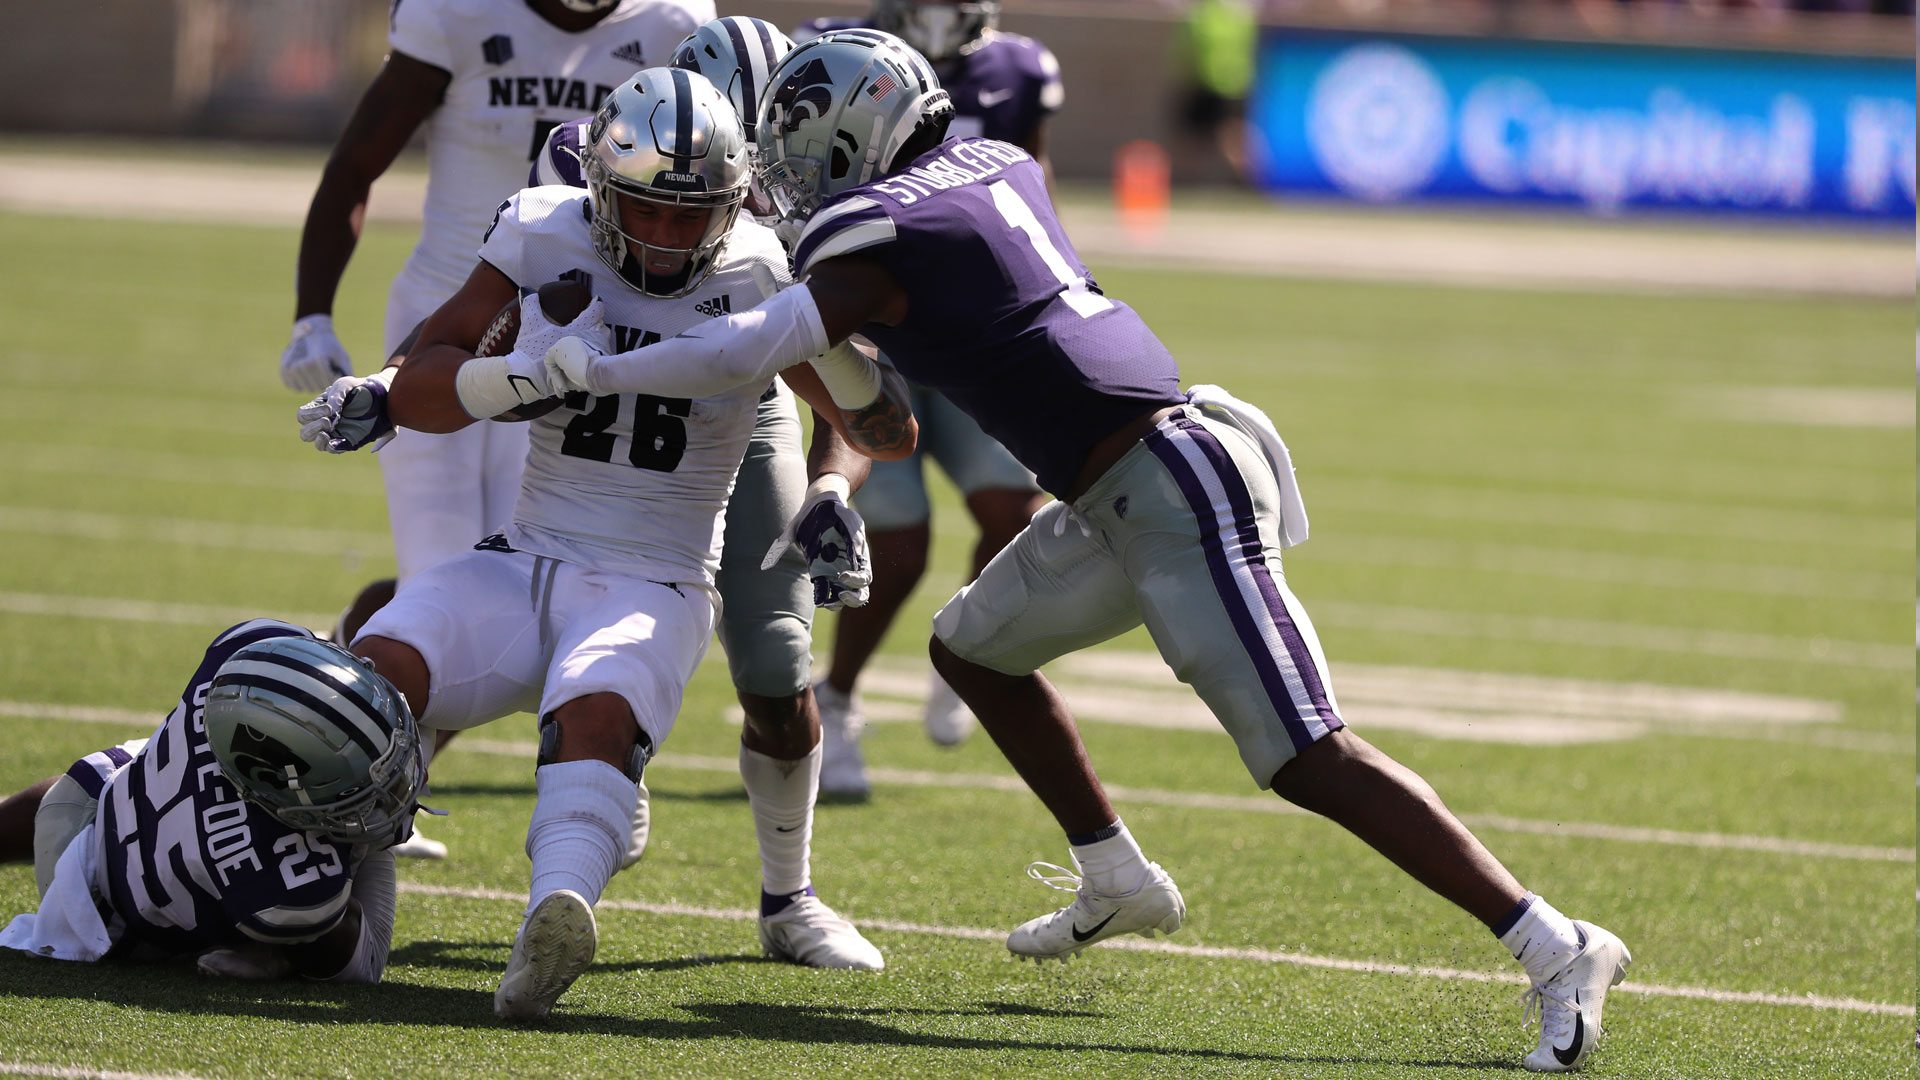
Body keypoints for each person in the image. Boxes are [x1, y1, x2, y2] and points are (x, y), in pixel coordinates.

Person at [535, 31, 1633, 1072]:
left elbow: (754, 345)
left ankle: (1552, 942)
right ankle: (1115, 873)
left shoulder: (863, 234)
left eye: (795, 146)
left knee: (1307, 754)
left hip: (1174, 486)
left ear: (847, 134)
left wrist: (595, 367)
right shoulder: (993, 156)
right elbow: (871, 371)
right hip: (1125, 480)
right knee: (974, 649)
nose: (782, 172)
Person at [298, 68, 914, 1020]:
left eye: (692, 213)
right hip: (524, 552)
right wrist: (511, 376)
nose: (669, 237)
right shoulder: (542, 232)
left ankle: (558, 914)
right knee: (371, 679)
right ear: (598, 186)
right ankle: (336, 928)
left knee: (596, 713)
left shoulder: (760, 266)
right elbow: (426, 385)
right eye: (646, 209)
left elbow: (879, 425)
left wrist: (833, 483)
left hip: (655, 576)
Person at [280, 0, 713, 859]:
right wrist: (313, 316)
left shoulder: (673, 21)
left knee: (527, 568)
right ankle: (373, 772)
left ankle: (599, 746)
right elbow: (359, 160)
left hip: (577, 329)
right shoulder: (457, 10)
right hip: (452, 317)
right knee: (438, 572)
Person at [787, 0, 1064, 796]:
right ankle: (835, 699)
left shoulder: (1020, 67)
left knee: (1016, 516)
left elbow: (1032, 188)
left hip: (976, 331)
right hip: (871, 328)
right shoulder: (823, 47)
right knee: (899, 545)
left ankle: (974, 650)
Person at [0, 620, 424, 985]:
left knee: (140, 766)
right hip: (99, 903)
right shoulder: (290, 893)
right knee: (314, 914)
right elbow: (364, 962)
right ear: (280, 789)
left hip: (87, 795)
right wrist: (368, 836)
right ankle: (266, 949)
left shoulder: (247, 644)